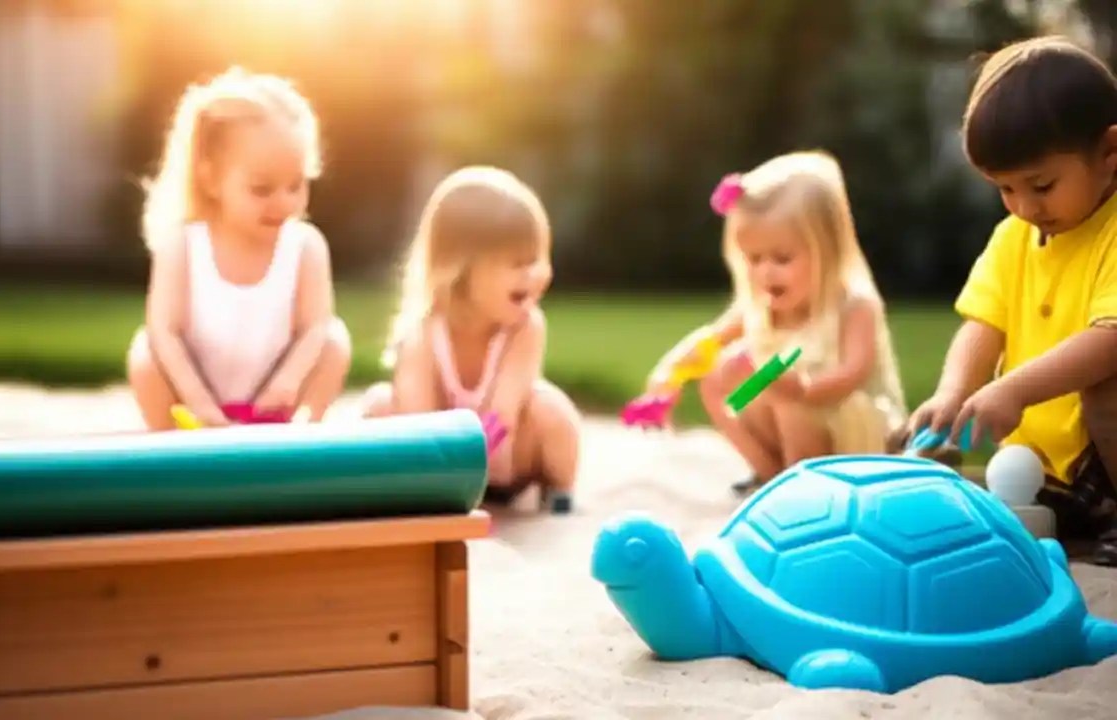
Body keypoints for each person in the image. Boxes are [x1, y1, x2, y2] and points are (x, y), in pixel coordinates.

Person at [907, 36, 1117, 565]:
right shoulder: (1013, 238)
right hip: (1042, 459)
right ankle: (1051, 504)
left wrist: (1015, 389)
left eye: (1041, 185)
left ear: (1111, 154)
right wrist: (953, 393)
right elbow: (984, 322)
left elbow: (1109, 340)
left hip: (1100, 455)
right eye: (1005, 189)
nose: (1024, 206)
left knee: (1107, 391)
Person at [643, 151, 907, 496]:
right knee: (718, 380)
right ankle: (770, 474)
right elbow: (712, 339)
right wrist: (668, 375)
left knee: (783, 397)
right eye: (753, 259)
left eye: (782, 259)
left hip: (847, 431)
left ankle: (801, 486)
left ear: (828, 250)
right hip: (786, 404)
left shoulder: (853, 306)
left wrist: (802, 389)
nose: (765, 272)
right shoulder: (762, 306)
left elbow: (854, 373)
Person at [127, 67, 350, 430]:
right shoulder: (183, 246)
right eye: (262, 189)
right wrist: (199, 403)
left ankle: (303, 438)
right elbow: (163, 332)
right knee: (144, 353)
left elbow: (316, 326)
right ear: (211, 179)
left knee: (334, 342)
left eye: (296, 185)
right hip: (195, 409)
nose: (283, 202)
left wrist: (286, 384)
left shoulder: (305, 247)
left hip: (276, 405)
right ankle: (169, 449)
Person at [362, 166, 581, 513]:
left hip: (508, 463)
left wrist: (476, 461)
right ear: (460, 269)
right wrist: (445, 477)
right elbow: (416, 418)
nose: (538, 274)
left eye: (539, 259)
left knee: (550, 410)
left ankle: (560, 489)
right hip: (439, 469)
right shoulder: (424, 332)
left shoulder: (526, 327)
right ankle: (400, 494)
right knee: (379, 406)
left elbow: (504, 411)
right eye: (520, 263)